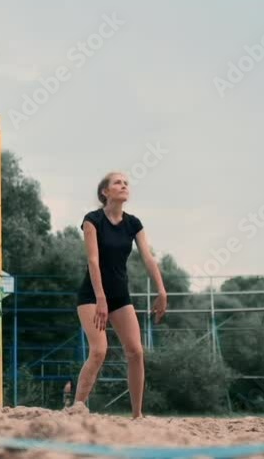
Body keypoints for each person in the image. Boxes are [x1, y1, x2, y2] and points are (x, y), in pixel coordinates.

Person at [74, 171, 167, 419]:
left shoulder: (133, 223)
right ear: (105, 192)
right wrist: (101, 299)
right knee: (99, 351)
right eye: (118, 182)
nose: (124, 185)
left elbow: (148, 258)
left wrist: (161, 290)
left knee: (136, 351)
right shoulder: (92, 220)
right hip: (92, 296)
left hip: (119, 296)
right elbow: (93, 261)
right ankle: (76, 408)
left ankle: (137, 415)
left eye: (126, 183)